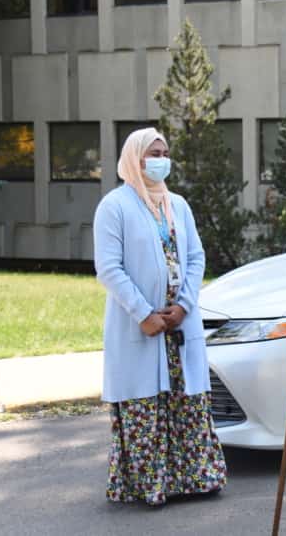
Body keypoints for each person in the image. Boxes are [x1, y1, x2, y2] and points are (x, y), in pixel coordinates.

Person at [93, 127, 226, 506]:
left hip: (179, 324)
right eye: (154, 153)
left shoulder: (177, 205)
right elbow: (109, 268)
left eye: (165, 153)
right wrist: (143, 313)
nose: (161, 160)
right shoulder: (115, 206)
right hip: (143, 327)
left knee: (186, 402)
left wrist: (184, 306)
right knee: (145, 407)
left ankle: (196, 480)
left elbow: (196, 257)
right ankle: (150, 486)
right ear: (134, 158)